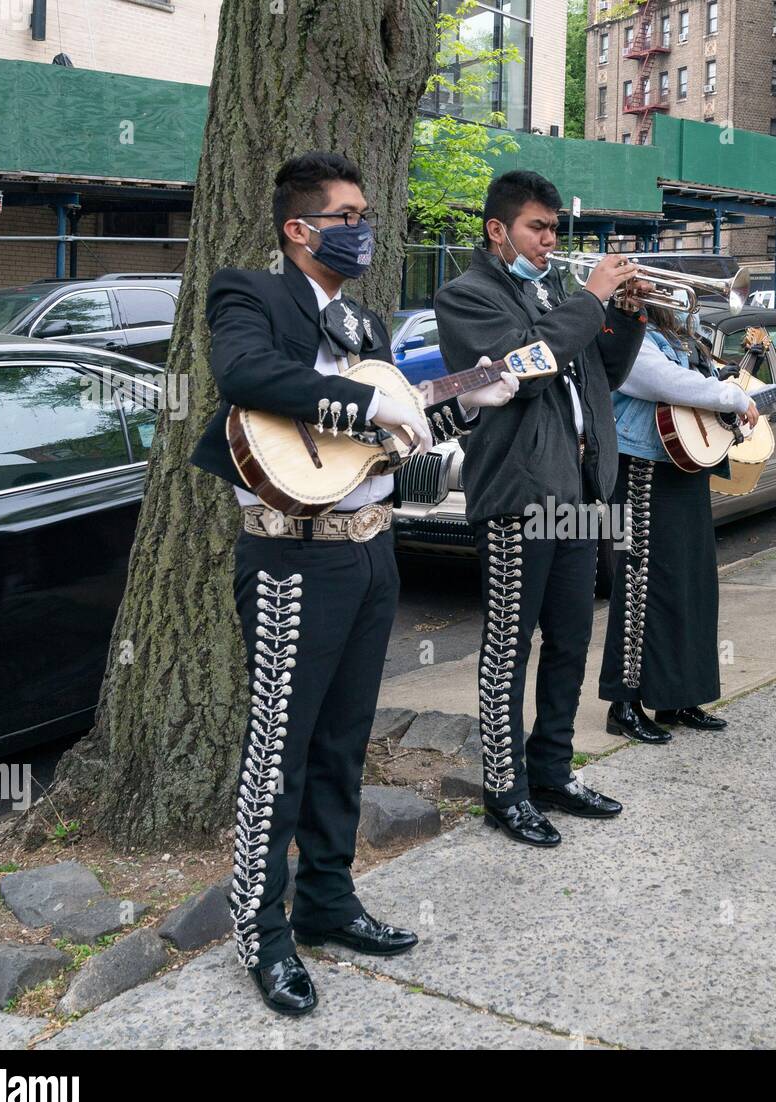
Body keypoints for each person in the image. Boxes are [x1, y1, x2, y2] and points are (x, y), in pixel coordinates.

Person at [191, 152, 516, 1016]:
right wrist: (369, 405)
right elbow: (247, 377)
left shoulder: (367, 326)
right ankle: (261, 932)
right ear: (299, 228)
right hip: (290, 556)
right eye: (346, 214)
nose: (362, 226)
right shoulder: (248, 295)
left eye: (365, 212)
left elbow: (388, 436)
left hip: (372, 550)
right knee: (279, 750)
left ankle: (329, 902)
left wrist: (462, 400)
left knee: (341, 741)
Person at [434, 170, 647, 848]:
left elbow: (599, 374)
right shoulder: (465, 296)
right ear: (498, 230)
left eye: (556, 228)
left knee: (569, 640)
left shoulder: (554, 292)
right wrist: (589, 299)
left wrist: (628, 315)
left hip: (579, 488)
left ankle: (554, 769)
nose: (552, 239)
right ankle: (505, 787)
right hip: (518, 495)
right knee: (507, 647)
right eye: (538, 227)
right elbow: (521, 368)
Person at [599, 298, 776, 742]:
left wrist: (756, 400)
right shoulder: (626, 333)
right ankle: (624, 703)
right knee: (641, 585)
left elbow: (707, 405)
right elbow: (661, 382)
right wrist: (732, 394)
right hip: (643, 467)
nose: (667, 294)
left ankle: (678, 696)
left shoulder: (684, 338)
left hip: (684, 467)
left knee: (691, 584)